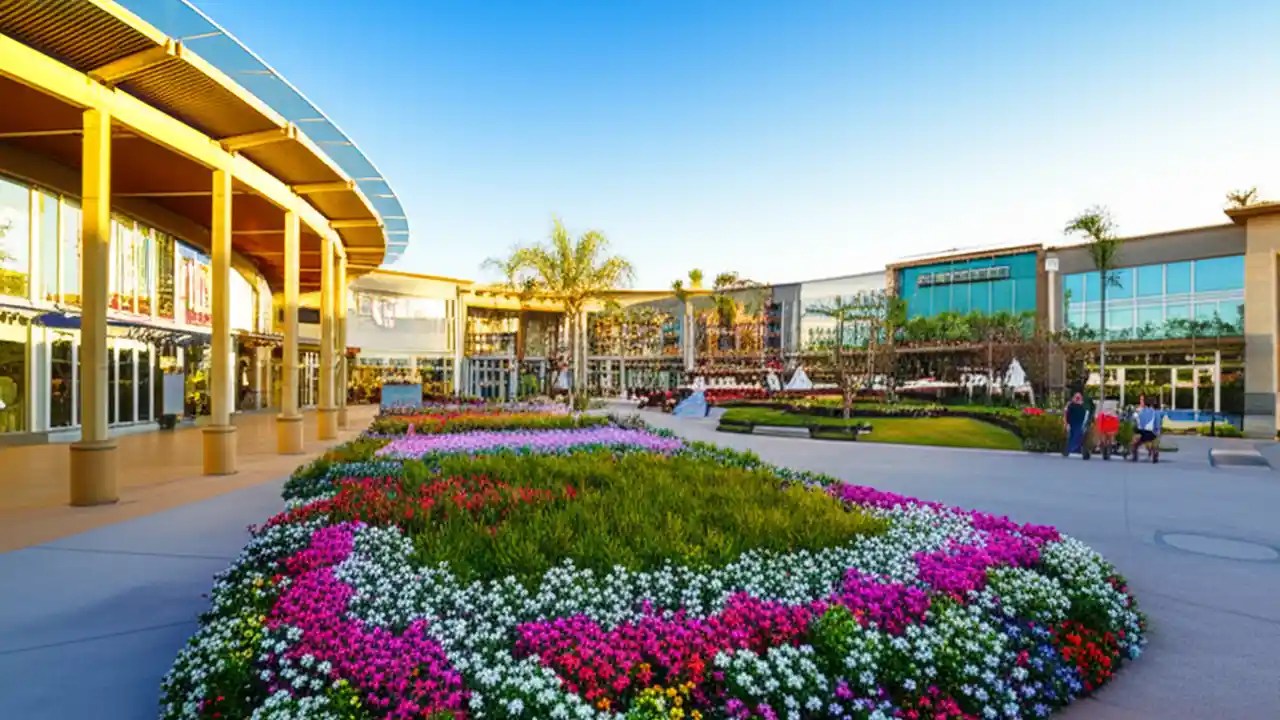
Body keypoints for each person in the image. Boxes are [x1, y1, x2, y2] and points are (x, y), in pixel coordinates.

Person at [1131, 395, 1163, 463]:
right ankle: (1155, 452)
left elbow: (1136, 422)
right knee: (1156, 439)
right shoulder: (1156, 412)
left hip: (1141, 433)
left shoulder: (1141, 412)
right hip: (1151, 434)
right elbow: (1157, 425)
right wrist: (1158, 432)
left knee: (1135, 444)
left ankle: (1134, 454)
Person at [1063, 392, 1089, 457]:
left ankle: (1075, 449)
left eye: (1079, 397)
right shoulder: (1070, 405)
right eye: (1076, 397)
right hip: (1071, 423)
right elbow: (1065, 414)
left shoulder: (1084, 406)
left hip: (1080, 423)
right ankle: (1069, 450)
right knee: (1071, 437)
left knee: (1078, 436)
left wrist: (1086, 424)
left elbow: (1087, 415)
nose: (1077, 399)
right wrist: (1066, 423)